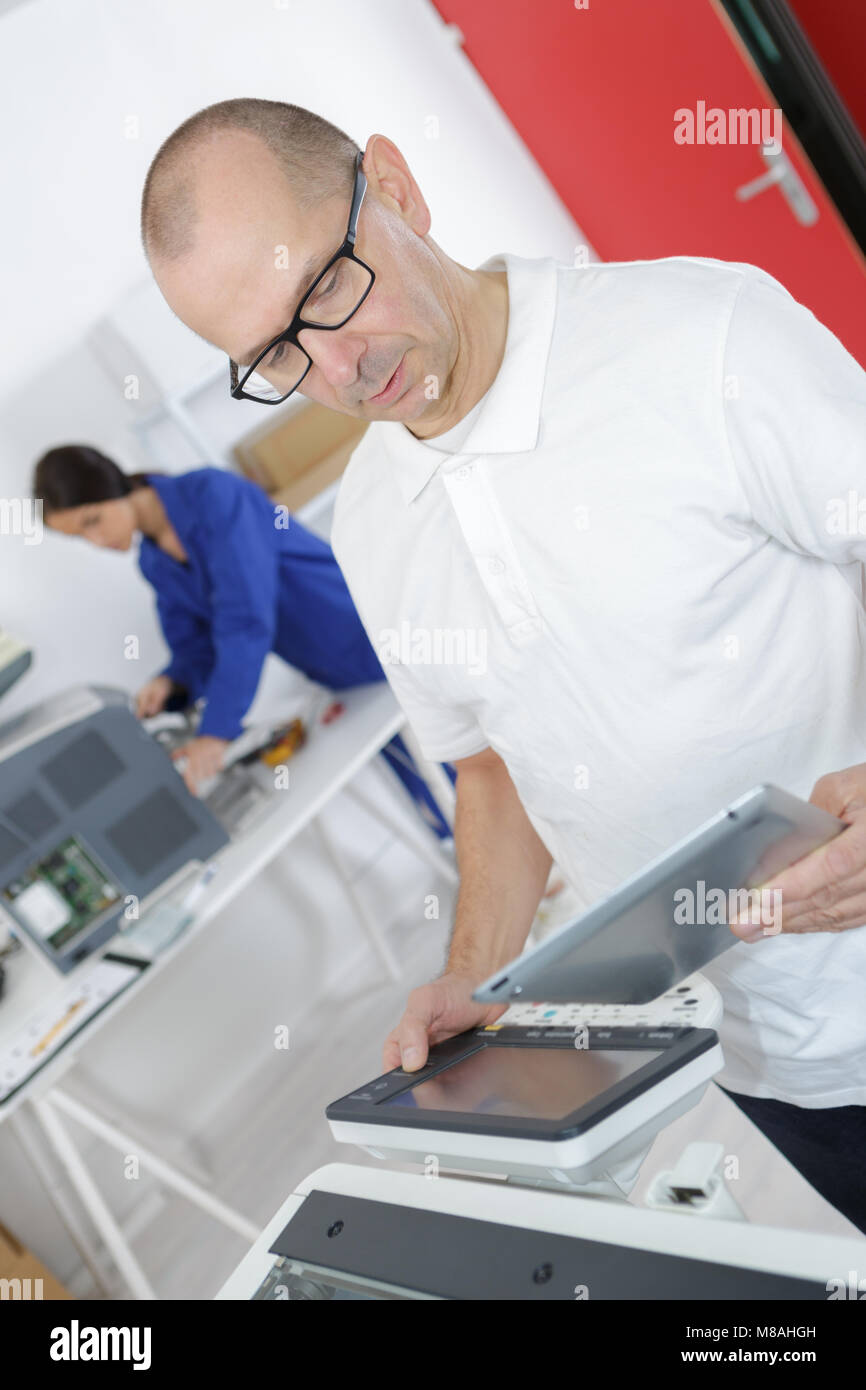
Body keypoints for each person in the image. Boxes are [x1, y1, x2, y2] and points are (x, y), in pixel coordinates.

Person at [139, 98, 866, 1232]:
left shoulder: (703, 334)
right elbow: (490, 765)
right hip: (773, 1061)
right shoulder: (372, 523)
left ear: (394, 187)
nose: (339, 368)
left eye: (326, 290)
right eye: (276, 355)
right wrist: (474, 968)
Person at [33, 447, 450, 828]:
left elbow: (246, 617)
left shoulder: (214, 494)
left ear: (111, 487)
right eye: (79, 537)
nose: (96, 541)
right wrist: (171, 681)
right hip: (336, 673)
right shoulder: (153, 563)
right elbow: (195, 646)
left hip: (377, 635)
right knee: (430, 793)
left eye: (92, 521)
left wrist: (215, 732)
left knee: (462, 765)